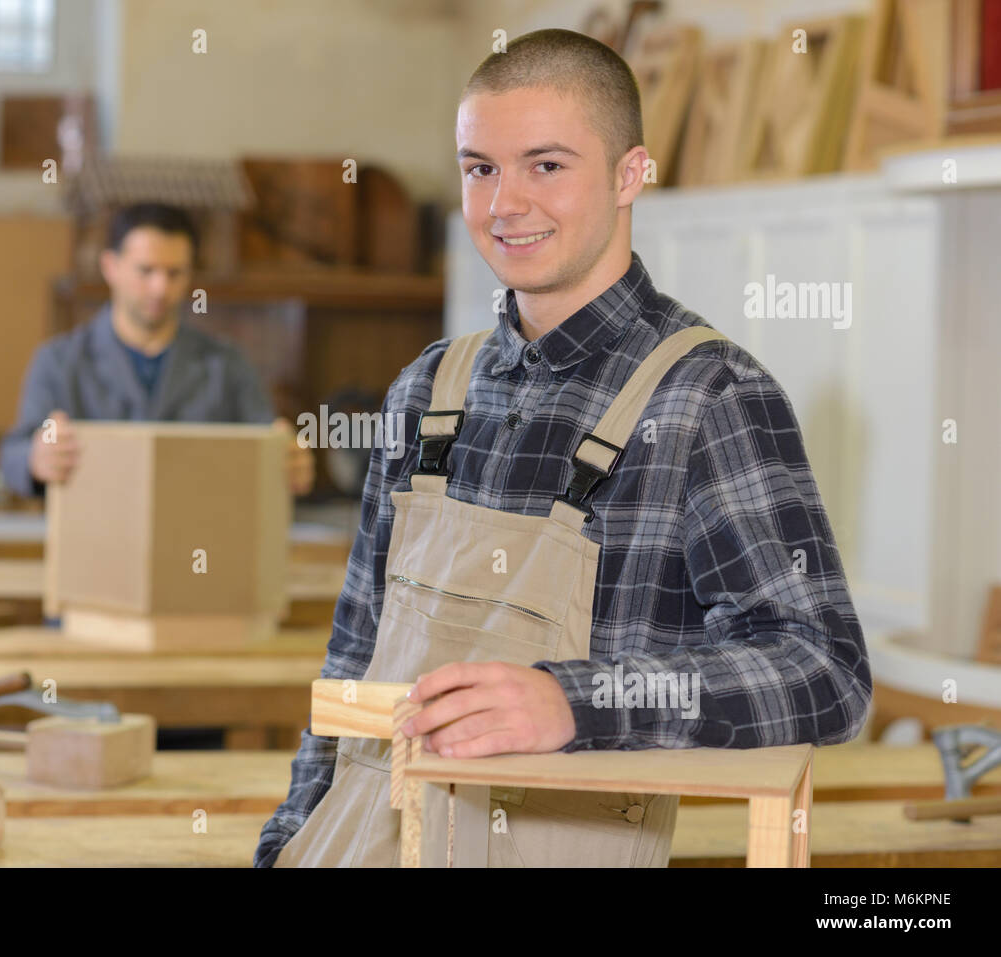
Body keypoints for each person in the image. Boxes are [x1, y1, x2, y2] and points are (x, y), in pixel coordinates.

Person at [256, 29, 870, 868]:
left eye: (546, 165)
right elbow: (354, 656)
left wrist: (577, 702)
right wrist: (288, 839)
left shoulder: (705, 396)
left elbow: (823, 671)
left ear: (629, 175)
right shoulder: (427, 390)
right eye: (480, 168)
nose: (506, 202)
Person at [0, 202, 314, 498]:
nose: (160, 288)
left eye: (174, 273)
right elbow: (12, 454)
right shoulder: (59, 361)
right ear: (111, 266)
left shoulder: (227, 364)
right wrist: (35, 457)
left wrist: (289, 462)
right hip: (96, 541)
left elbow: (269, 447)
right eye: (146, 271)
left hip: (200, 545)